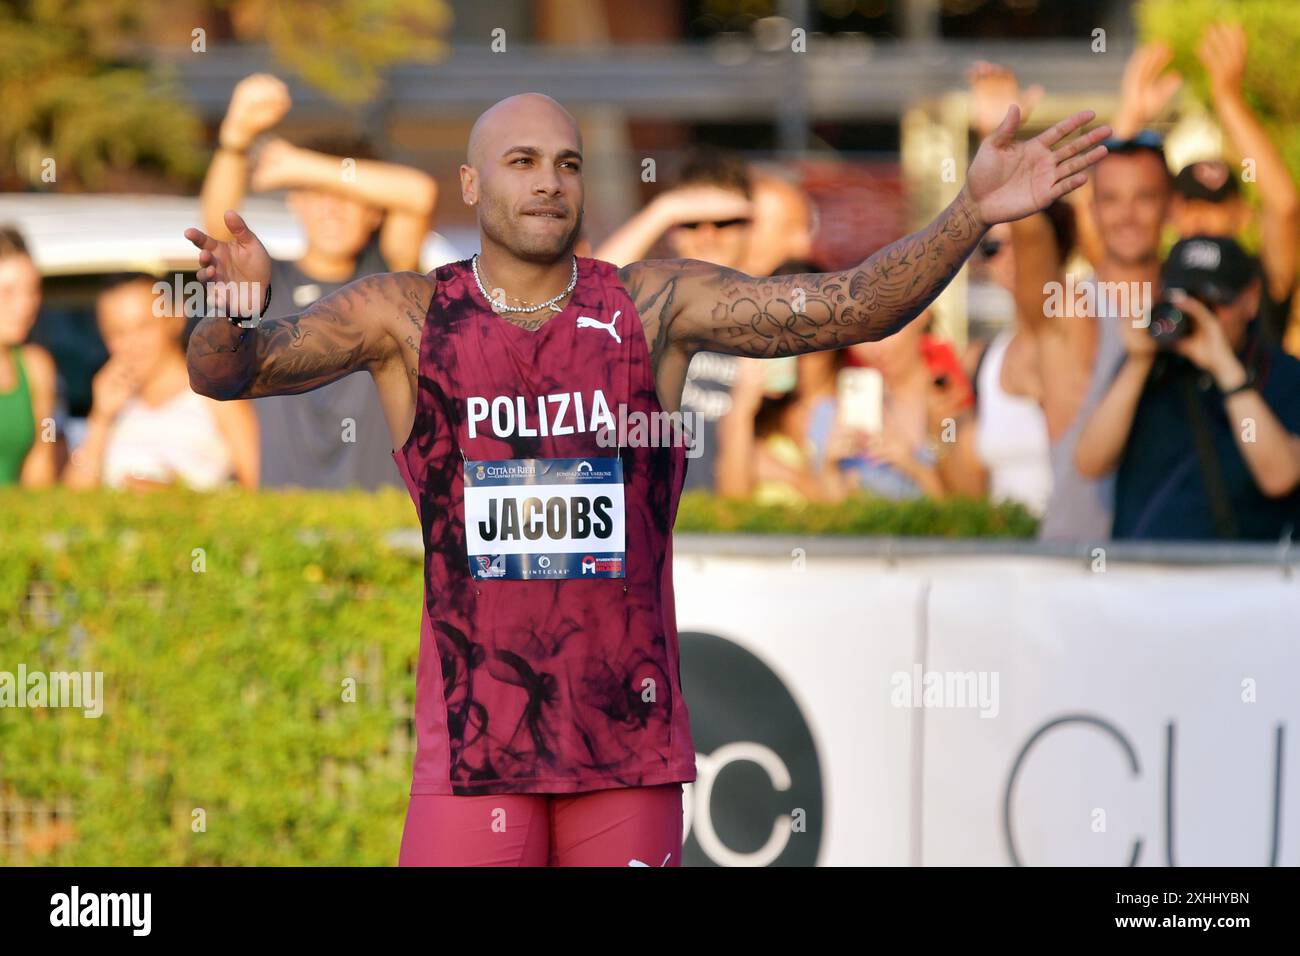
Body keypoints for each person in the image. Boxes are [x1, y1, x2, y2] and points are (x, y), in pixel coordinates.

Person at [183, 92, 1109, 866]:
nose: (549, 179)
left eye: (568, 163)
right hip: (474, 755)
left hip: (623, 755)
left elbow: (852, 306)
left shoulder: (652, 305)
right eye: (521, 161)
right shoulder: (406, 315)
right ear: (470, 183)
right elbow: (231, 370)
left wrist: (970, 213)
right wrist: (228, 311)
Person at [201, 73, 438, 490]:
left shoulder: (390, 283)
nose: (333, 211)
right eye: (316, 195)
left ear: (377, 212)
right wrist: (236, 138)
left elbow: (419, 194)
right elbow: (218, 231)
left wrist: (297, 166)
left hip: (382, 518)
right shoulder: (265, 285)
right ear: (295, 202)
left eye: (348, 198)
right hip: (285, 519)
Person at [1075, 237, 1300, 539]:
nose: (1199, 315)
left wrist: (1226, 370)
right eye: (1184, 300)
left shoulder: (1282, 374)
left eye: (1213, 303)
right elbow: (1090, 462)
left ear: (1250, 299)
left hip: (1243, 580)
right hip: (1142, 578)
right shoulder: (1149, 367)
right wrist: (1138, 363)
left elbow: (1280, 477)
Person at [595, 147, 754, 494]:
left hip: (730, 527)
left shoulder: (769, 315)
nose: (708, 234)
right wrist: (663, 209)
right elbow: (583, 302)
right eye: (691, 222)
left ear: (751, 226)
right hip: (640, 519)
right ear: (671, 230)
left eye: (726, 222)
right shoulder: (643, 307)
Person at [63, 274, 257, 491]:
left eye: (143, 327)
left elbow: (259, 491)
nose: (131, 344)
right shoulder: (110, 405)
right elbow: (74, 498)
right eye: (117, 332)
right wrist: (100, 418)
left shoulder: (218, 396)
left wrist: (178, 499)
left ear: (175, 319)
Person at [0, 227, 56, 487]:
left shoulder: (37, 367)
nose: (26, 305)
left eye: (32, 290)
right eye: (8, 292)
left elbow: (40, 465)